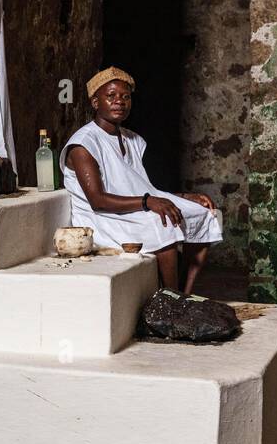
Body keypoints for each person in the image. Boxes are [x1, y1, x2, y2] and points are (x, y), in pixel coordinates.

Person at [61, 66, 222, 295]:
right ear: (96, 102)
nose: (119, 101)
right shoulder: (84, 144)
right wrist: (149, 203)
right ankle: (170, 300)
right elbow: (97, 201)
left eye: (125, 97)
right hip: (101, 217)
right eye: (111, 96)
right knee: (162, 222)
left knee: (205, 213)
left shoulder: (131, 139)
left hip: (131, 207)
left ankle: (183, 296)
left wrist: (186, 198)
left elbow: (141, 187)